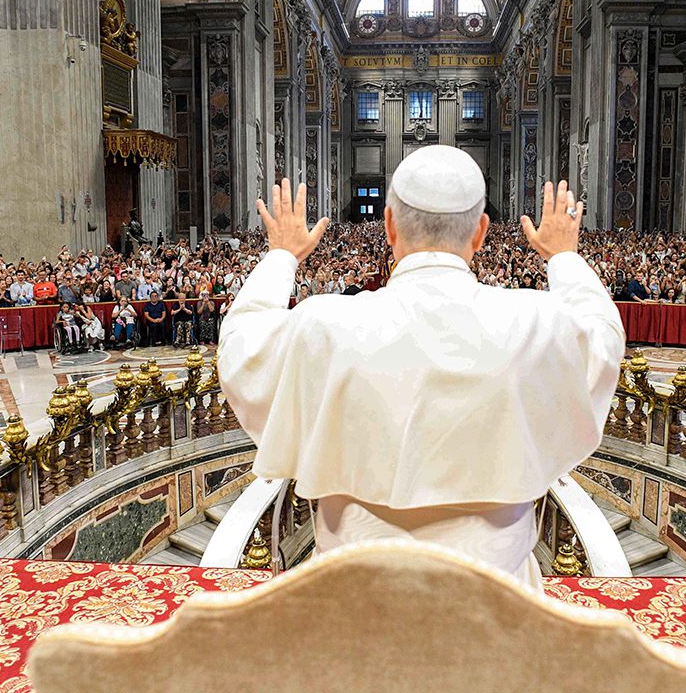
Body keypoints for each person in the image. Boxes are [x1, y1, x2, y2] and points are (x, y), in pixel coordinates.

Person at [219, 147, 629, 592]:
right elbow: (605, 338)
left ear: (389, 226)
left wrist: (282, 255)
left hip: (350, 600)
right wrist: (563, 257)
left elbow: (242, 346)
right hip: (500, 607)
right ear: (480, 232)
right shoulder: (537, 321)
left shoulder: (323, 324)